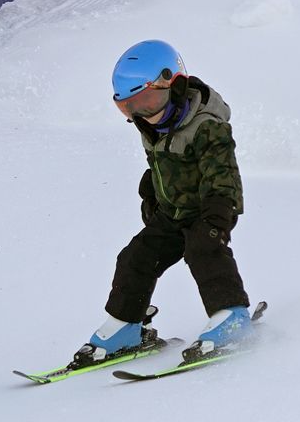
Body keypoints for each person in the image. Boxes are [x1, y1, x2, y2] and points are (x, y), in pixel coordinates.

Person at [73, 39, 253, 365]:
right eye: (130, 107)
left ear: (175, 85)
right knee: (135, 257)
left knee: (203, 250)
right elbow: (160, 163)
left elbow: (222, 173)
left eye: (148, 101)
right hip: (173, 212)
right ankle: (126, 325)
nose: (143, 113)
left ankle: (232, 317)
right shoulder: (153, 123)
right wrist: (152, 194)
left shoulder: (207, 126)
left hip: (210, 210)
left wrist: (217, 218)